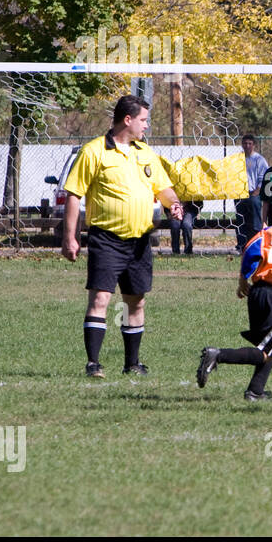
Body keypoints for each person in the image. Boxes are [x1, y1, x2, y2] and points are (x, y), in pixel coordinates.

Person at [61, 95, 183, 379]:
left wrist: (173, 203)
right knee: (101, 298)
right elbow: (73, 195)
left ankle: (132, 363)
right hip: (107, 239)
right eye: (143, 120)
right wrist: (70, 237)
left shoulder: (145, 152)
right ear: (127, 120)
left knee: (135, 301)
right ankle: (93, 364)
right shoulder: (94, 151)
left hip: (140, 241)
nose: (146, 126)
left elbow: (163, 187)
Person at [197, 188, 272, 401]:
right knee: (265, 351)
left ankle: (255, 391)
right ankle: (217, 355)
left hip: (256, 292)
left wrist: (242, 281)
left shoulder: (268, 233)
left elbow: (249, 251)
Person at [234, 134, 269, 252]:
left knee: (255, 220)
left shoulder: (259, 159)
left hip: (254, 194)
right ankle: (241, 246)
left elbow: (263, 177)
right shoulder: (237, 159)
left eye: (250, 143)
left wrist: (257, 191)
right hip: (239, 194)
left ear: (254, 145)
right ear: (242, 144)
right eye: (245, 143)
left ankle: (256, 245)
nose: (247, 146)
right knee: (240, 220)